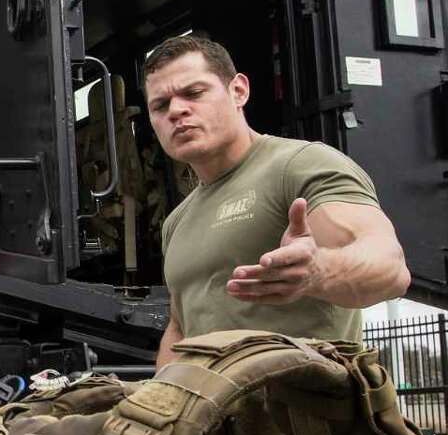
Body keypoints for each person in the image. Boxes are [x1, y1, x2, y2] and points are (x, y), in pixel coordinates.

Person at [145, 33, 411, 369]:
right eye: (160, 105)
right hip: (215, 415)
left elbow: (390, 268)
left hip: (303, 413)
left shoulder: (300, 165)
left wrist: (318, 271)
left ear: (238, 91)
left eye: (193, 93)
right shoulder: (176, 221)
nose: (177, 110)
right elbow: (180, 329)